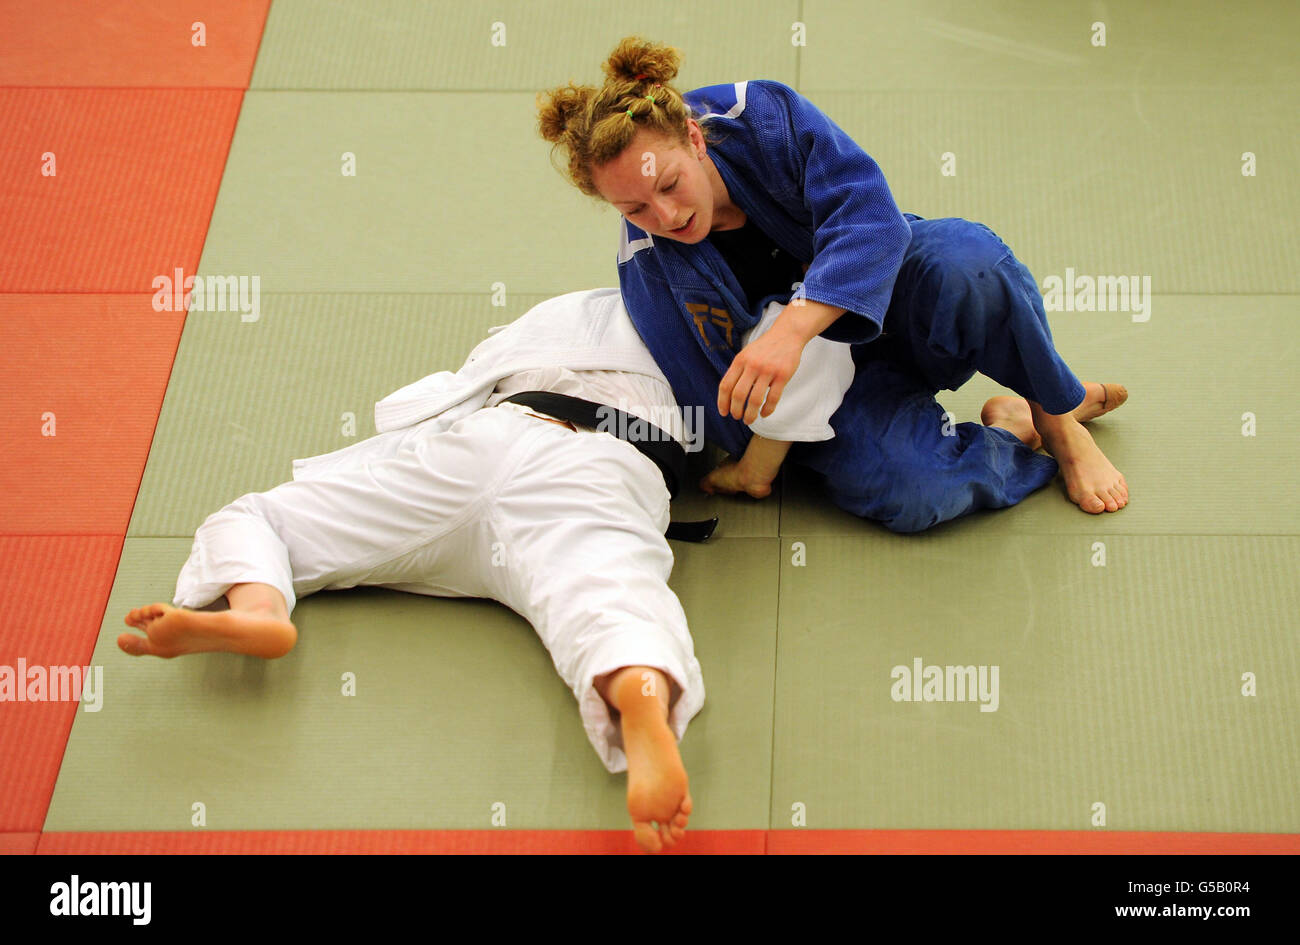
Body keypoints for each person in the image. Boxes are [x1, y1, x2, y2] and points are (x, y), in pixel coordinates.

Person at [118, 288, 702, 854]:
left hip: (488, 442)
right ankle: (640, 701)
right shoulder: (689, 318)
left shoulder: (558, 318)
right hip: (603, 464)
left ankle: (259, 610)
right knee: (607, 598)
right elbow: (768, 416)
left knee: (263, 517)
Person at [536, 37, 1130, 532]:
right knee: (913, 491)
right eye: (634, 207)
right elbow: (718, 396)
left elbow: (871, 216)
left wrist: (796, 325)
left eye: (669, 184)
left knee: (968, 263)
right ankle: (1011, 429)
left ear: (694, 139)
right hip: (833, 395)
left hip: (894, 295)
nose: (664, 216)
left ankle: (1056, 415)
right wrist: (760, 446)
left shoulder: (759, 115)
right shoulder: (649, 267)